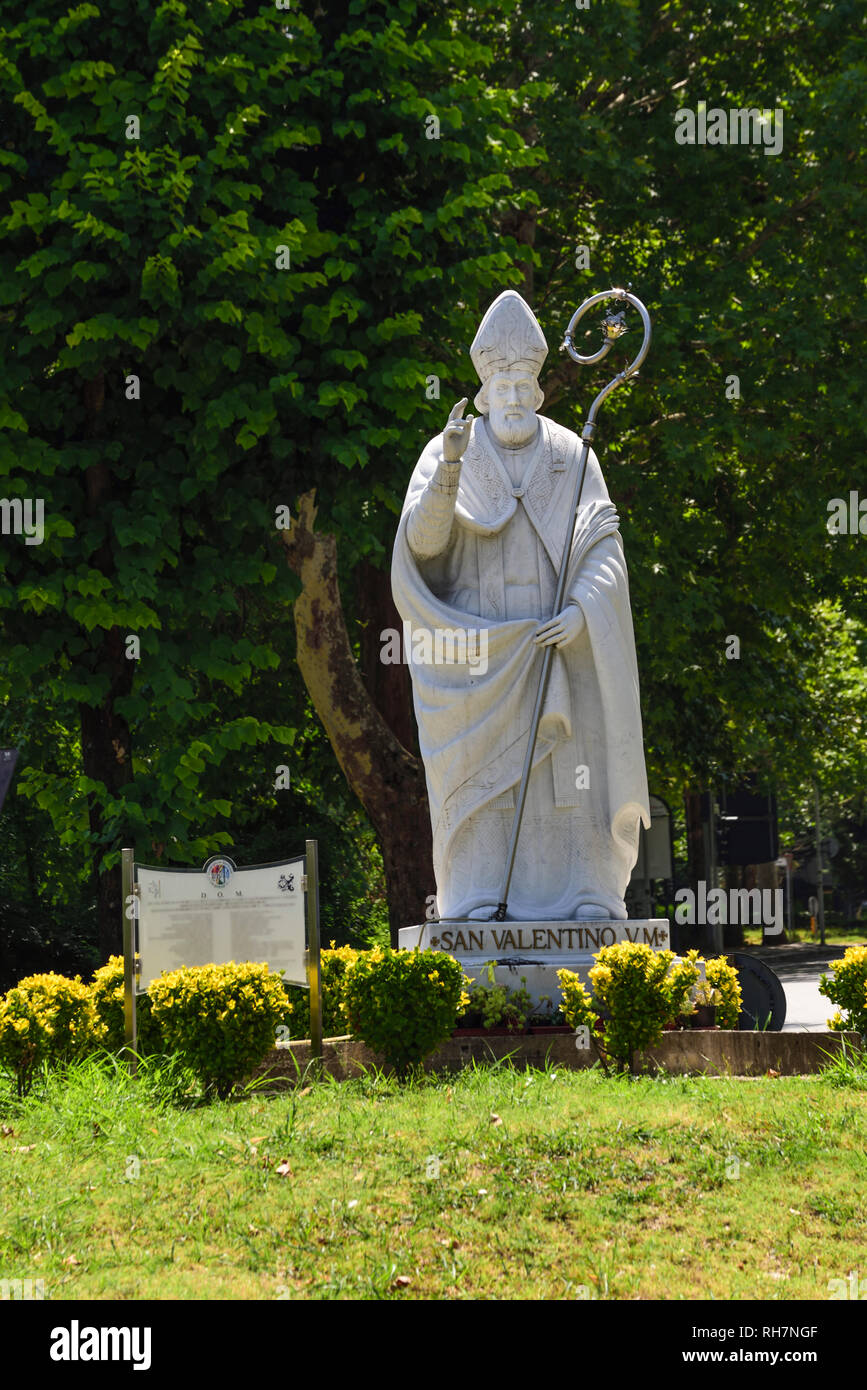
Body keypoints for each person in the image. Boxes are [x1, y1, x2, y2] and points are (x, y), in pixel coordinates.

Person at [392, 290, 650, 921]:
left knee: (570, 776)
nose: (510, 397)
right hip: (480, 660)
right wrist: (450, 469)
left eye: (520, 387)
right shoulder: (448, 450)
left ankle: (586, 892)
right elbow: (421, 548)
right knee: (488, 783)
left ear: (536, 391)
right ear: (483, 394)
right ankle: (479, 894)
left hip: (558, 646)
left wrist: (585, 610)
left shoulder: (571, 456)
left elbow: (604, 548)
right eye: (499, 387)